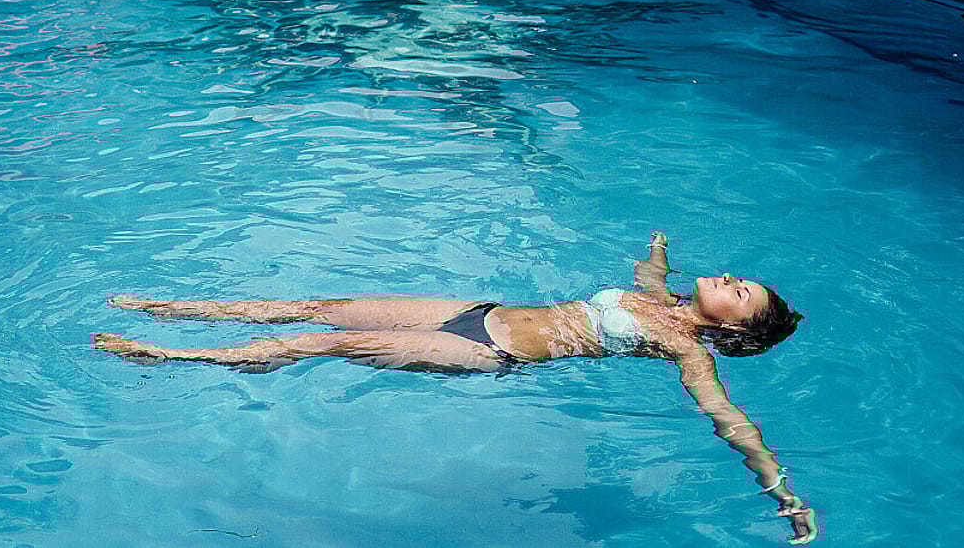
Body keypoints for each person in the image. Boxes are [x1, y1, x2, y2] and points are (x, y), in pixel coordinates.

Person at [94, 232, 817, 544]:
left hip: (484, 350)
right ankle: (173, 307)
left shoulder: (686, 347)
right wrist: (659, 249)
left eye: (740, 292)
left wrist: (782, 492)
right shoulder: (664, 304)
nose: (730, 280)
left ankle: (168, 356)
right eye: (737, 277)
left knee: (325, 343)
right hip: (474, 307)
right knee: (320, 305)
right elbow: (647, 280)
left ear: (731, 332)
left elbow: (731, 421)